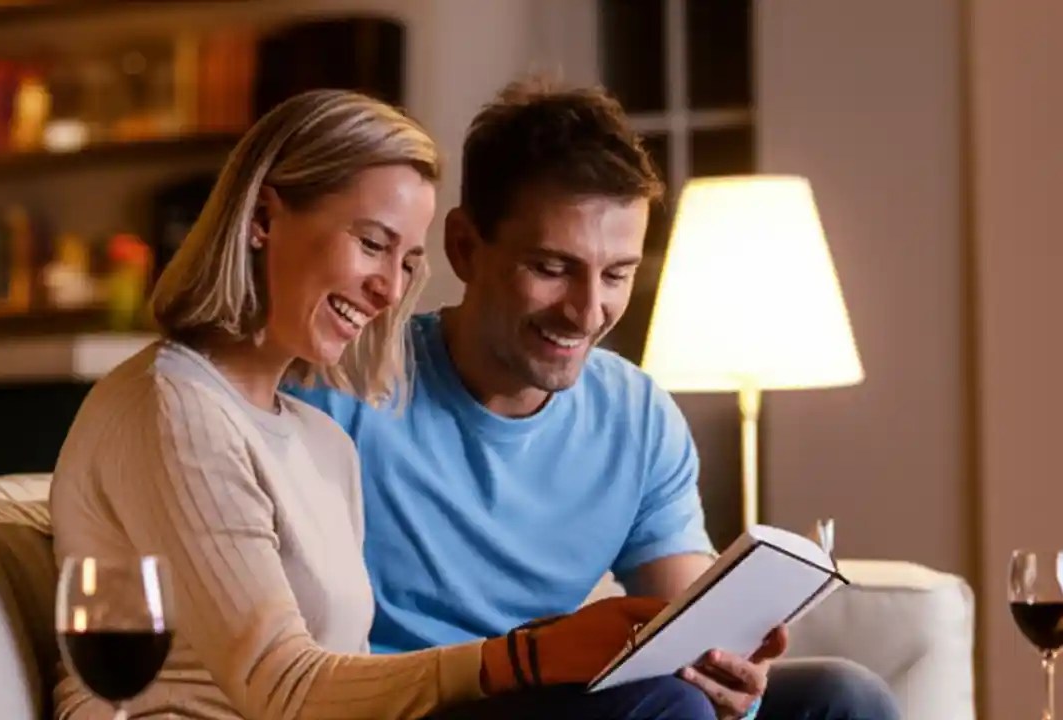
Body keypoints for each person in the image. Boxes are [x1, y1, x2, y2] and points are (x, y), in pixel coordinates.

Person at [50, 88, 716, 720]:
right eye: (371, 244)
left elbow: (343, 668)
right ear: (261, 220)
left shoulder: (315, 436)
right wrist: (523, 657)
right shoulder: (172, 404)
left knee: (816, 692)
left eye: (405, 262)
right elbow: (281, 685)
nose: (389, 290)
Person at [288, 80, 903, 720]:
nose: (586, 312)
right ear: (465, 247)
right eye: (552, 268)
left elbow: (686, 629)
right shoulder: (343, 386)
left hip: (571, 700)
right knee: (667, 706)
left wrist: (731, 671)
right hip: (418, 703)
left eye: (616, 274)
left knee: (845, 698)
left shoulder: (635, 414)